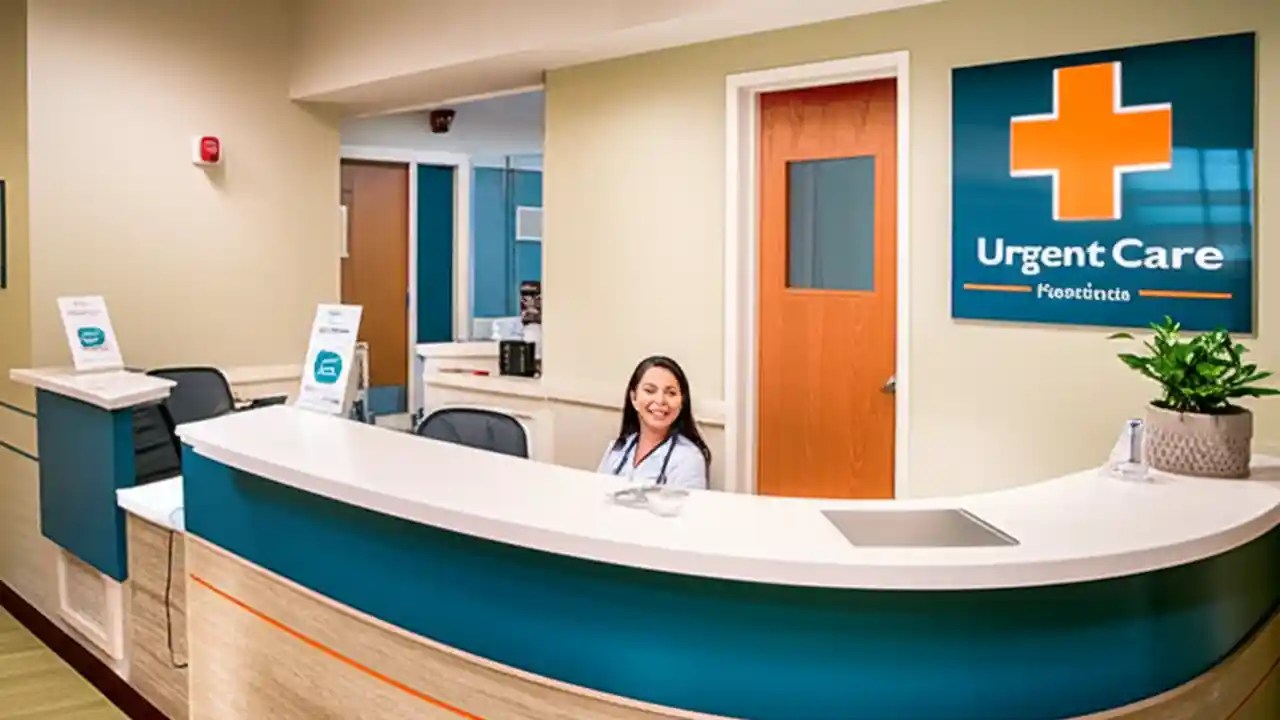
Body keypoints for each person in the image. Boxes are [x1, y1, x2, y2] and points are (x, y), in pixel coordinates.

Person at [596, 355, 712, 490]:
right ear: (633, 398)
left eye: (671, 393)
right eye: (650, 391)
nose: (660, 400)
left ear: (682, 402)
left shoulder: (688, 459)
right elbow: (597, 497)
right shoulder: (618, 448)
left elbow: (687, 510)